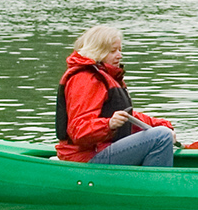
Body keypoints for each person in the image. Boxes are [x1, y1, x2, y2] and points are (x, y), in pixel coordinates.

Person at [55, 24, 177, 167]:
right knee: (160, 137)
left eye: (120, 50)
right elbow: (78, 130)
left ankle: (148, 184)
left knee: (162, 132)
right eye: (113, 51)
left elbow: (127, 115)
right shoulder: (85, 79)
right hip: (84, 158)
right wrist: (108, 125)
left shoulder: (107, 76)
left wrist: (161, 125)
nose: (119, 55)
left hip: (101, 150)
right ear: (98, 51)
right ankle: (152, 187)